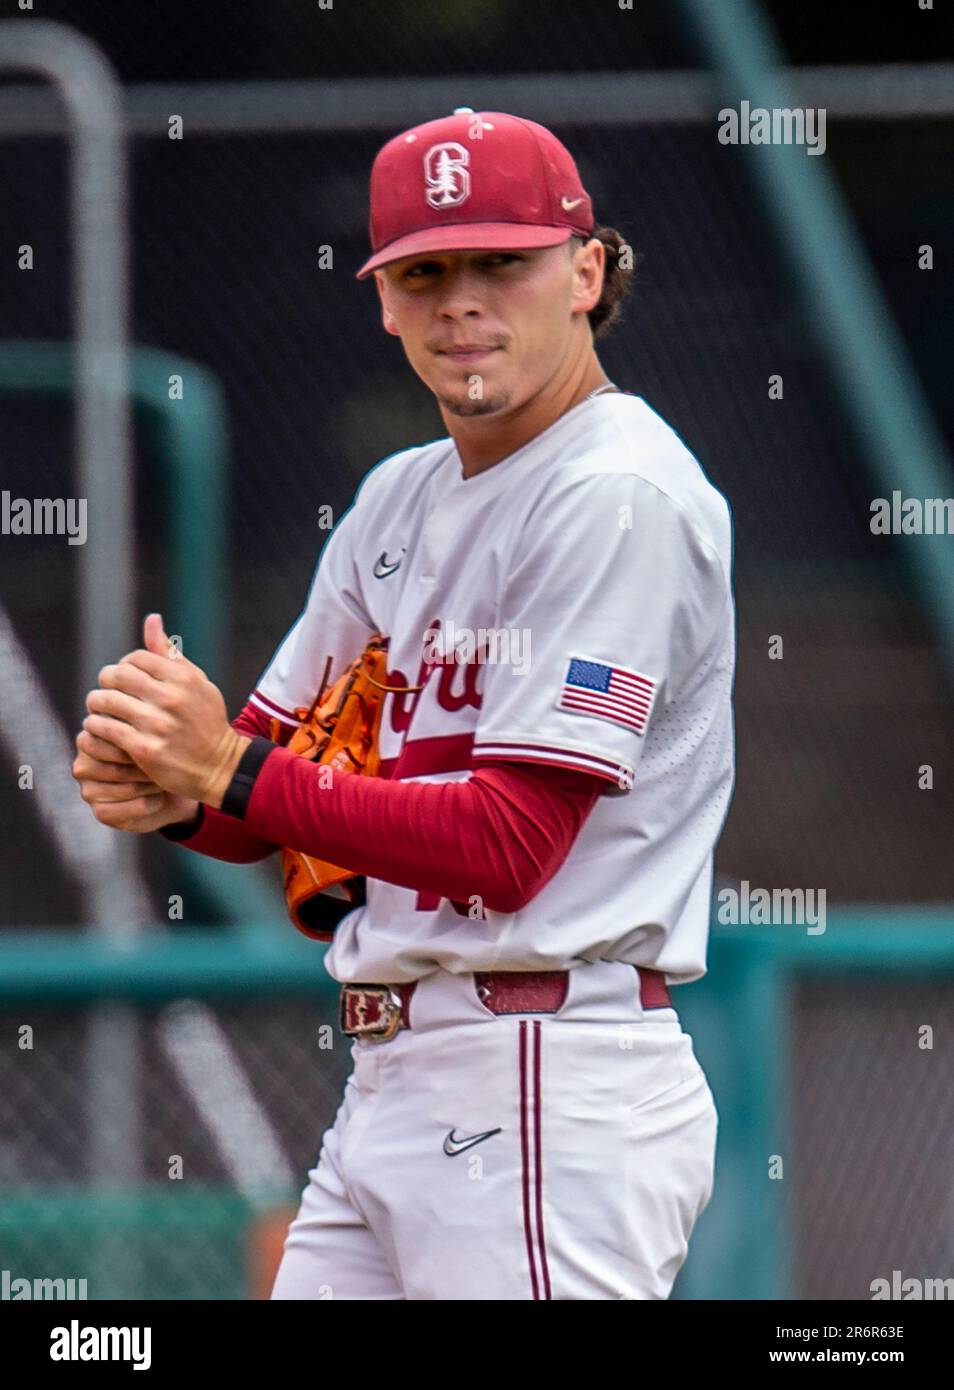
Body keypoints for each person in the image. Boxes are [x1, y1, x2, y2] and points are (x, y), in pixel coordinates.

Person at [72, 109, 736, 1300]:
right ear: (383, 299)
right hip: (397, 1074)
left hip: (546, 1079)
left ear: (587, 273)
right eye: (425, 273)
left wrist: (222, 768)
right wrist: (171, 784)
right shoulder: (397, 498)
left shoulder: (616, 492)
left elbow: (508, 847)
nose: (462, 303)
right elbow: (258, 802)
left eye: (503, 263)